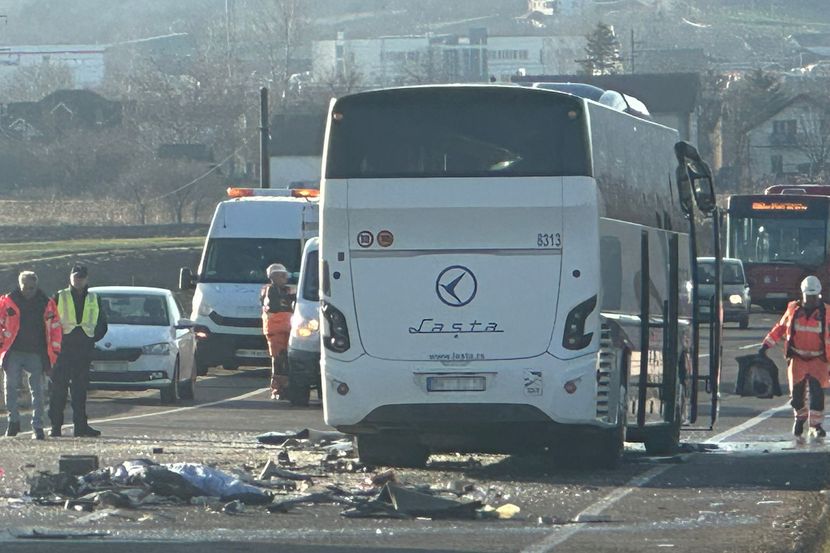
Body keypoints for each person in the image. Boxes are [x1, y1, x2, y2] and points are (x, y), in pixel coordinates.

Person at [760, 275, 830, 439]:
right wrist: (765, 346)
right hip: (797, 359)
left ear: (819, 295)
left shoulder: (827, 313)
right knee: (796, 397)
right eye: (808, 296)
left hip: (818, 360)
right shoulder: (793, 310)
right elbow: (780, 328)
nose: (811, 299)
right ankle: (800, 417)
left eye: (813, 296)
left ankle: (815, 425)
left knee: (817, 395)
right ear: (802, 295)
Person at [0, 271, 62, 439]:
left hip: (36, 353)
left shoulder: (46, 303)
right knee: (10, 387)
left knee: (38, 390)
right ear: (19, 285)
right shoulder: (7, 302)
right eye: (26, 287)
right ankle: (13, 422)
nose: (29, 291)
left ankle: (38, 426)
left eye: (32, 287)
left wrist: (53, 353)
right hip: (13, 351)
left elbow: (55, 327)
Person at [48, 264, 108, 438]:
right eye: (75, 277)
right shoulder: (59, 296)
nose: (78, 280)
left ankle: (81, 427)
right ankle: (55, 427)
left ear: (86, 279)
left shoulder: (94, 298)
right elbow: (48, 321)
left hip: (83, 350)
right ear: (70, 278)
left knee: (80, 392)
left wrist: (92, 338)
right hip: (63, 349)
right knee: (58, 390)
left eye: (81, 277)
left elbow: (102, 322)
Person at [261, 263, 294, 400]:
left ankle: (288, 386)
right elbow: (273, 305)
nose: (285, 278)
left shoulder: (287, 291)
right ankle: (278, 388)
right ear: (273, 277)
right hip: (275, 330)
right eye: (282, 275)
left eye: (285, 275)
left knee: (289, 360)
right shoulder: (270, 291)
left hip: (289, 329)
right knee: (279, 359)